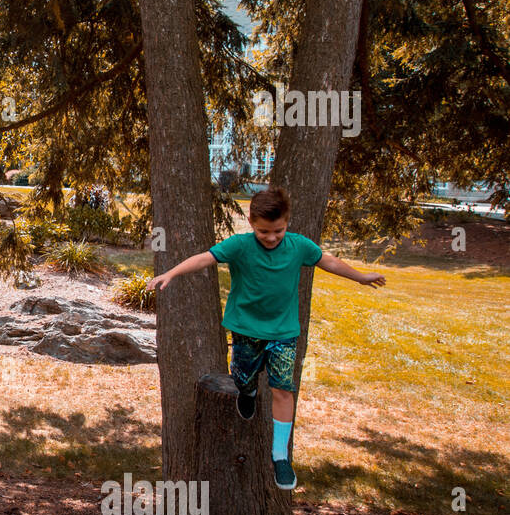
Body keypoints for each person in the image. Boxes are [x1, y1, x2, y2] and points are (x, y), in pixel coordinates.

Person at [146, 186, 385, 489]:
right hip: (246, 330)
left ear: (287, 222)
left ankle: (280, 455)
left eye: (278, 231)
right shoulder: (241, 245)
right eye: (264, 231)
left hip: (283, 333)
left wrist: (361, 277)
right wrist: (172, 273)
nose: (271, 238)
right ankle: (247, 392)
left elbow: (329, 261)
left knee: (283, 389)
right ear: (251, 222)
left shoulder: (299, 246)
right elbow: (205, 258)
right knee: (243, 379)